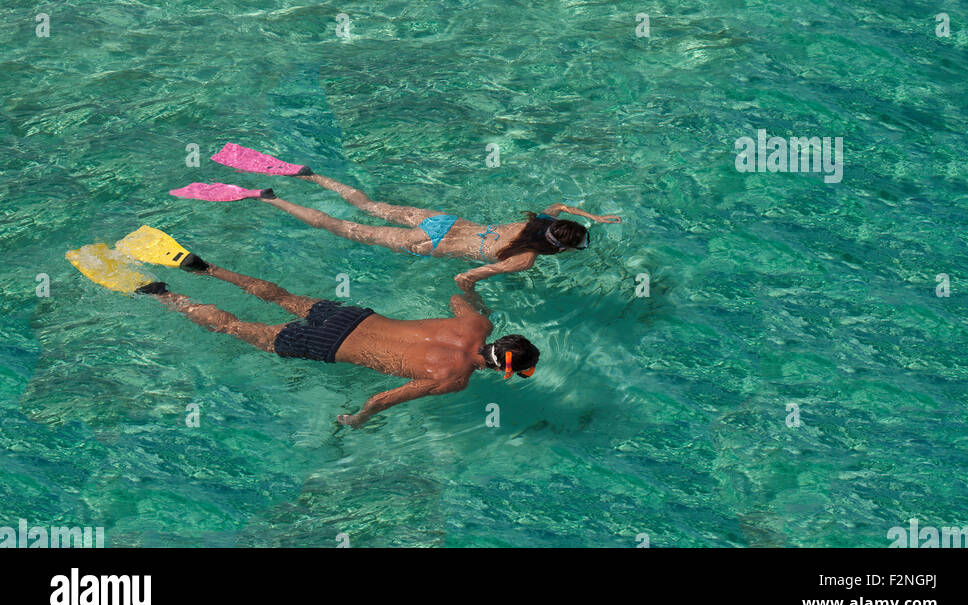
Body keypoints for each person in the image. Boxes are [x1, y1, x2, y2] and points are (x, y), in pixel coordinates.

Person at [138, 253, 539, 426]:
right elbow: (382, 399)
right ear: (503, 368)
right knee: (235, 328)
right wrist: (357, 419)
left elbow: (457, 295)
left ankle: (209, 269)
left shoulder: (476, 326)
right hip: (331, 347)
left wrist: (478, 306)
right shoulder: (455, 379)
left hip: (352, 316)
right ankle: (163, 296)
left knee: (281, 296)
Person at [247, 168, 620, 282]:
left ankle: (312, 178)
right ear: (561, 247)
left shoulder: (536, 222)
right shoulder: (524, 260)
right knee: (339, 227)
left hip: (441, 221)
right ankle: (271, 198)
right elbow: (464, 278)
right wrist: (475, 305)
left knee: (369, 206)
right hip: (428, 242)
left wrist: (593, 218)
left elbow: (559, 204)